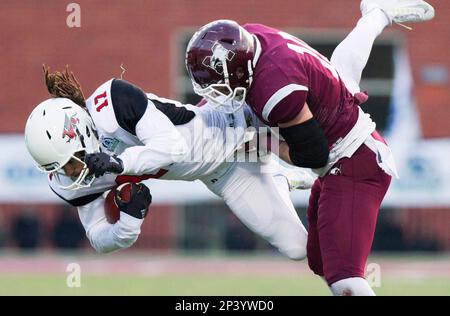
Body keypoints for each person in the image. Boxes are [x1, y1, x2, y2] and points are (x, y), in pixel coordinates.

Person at [185, 0, 434, 295]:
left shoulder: (276, 91)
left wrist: (261, 141)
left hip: (352, 161)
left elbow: (313, 154)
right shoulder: (250, 40)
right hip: (337, 120)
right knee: (319, 262)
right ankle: (376, 15)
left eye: (221, 85)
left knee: (345, 280)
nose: (220, 95)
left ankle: (376, 16)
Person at [24, 66, 314, 257]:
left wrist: (119, 164)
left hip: (240, 122)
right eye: (58, 168)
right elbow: (97, 236)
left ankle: (363, 27)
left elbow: (172, 148)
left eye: (68, 163)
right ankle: (280, 179)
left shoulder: (112, 103)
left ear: (81, 132)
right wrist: (128, 223)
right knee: (298, 249)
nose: (68, 173)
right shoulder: (67, 178)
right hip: (225, 175)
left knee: (325, 138)